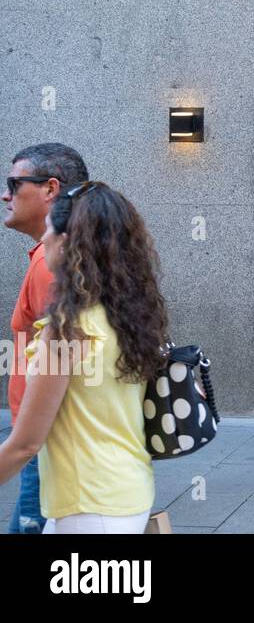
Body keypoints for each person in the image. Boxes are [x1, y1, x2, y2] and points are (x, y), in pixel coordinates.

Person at [0, 181, 169, 533]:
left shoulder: (66, 330)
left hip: (89, 508)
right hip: (126, 493)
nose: (43, 239)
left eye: (48, 229)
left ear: (66, 242)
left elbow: (25, 444)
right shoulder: (129, 316)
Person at [2, 142, 87, 534]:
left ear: (50, 189)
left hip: (44, 443)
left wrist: (26, 444)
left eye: (14, 183)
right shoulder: (64, 262)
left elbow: (60, 363)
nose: (6, 194)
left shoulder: (50, 270)